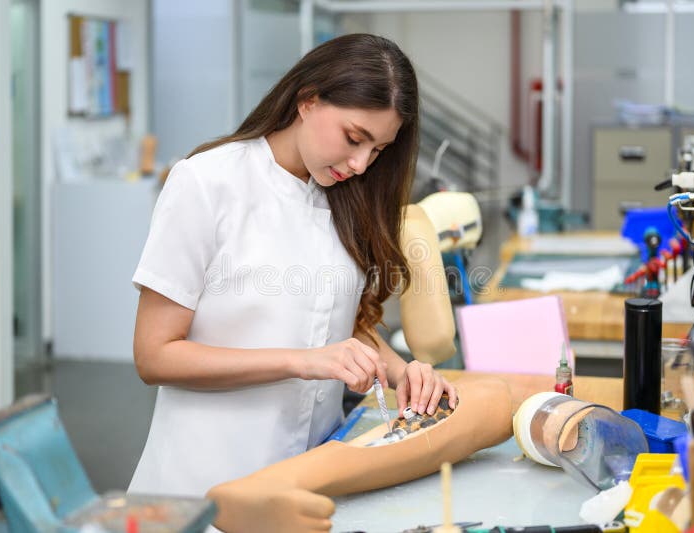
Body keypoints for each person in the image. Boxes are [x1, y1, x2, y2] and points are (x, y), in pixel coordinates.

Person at [128, 33, 457, 498]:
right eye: (354, 138)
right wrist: (301, 362)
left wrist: (404, 373)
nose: (362, 163)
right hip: (206, 482)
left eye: (378, 150)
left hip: (314, 478)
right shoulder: (206, 182)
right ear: (307, 100)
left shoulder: (349, 196)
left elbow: (337, 321)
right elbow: (154, 354)